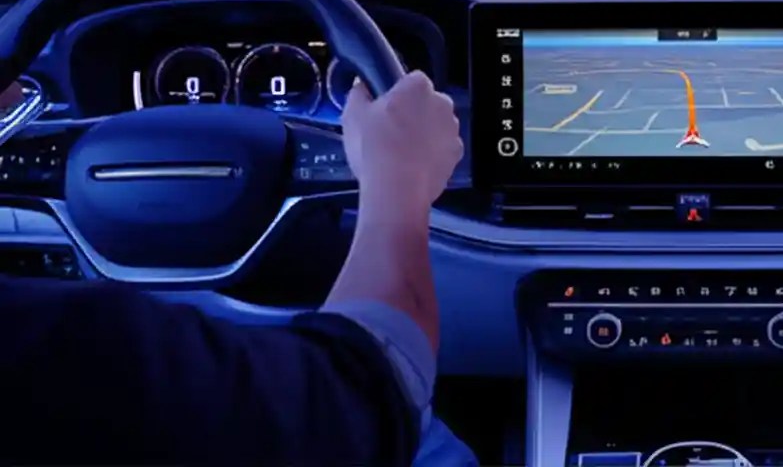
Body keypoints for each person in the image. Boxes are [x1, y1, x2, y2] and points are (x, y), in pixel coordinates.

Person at [0, 71, 475, 466]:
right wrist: (397, 181)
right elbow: (372, 387)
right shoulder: (85, 348)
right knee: (428, 444)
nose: (17, 95)